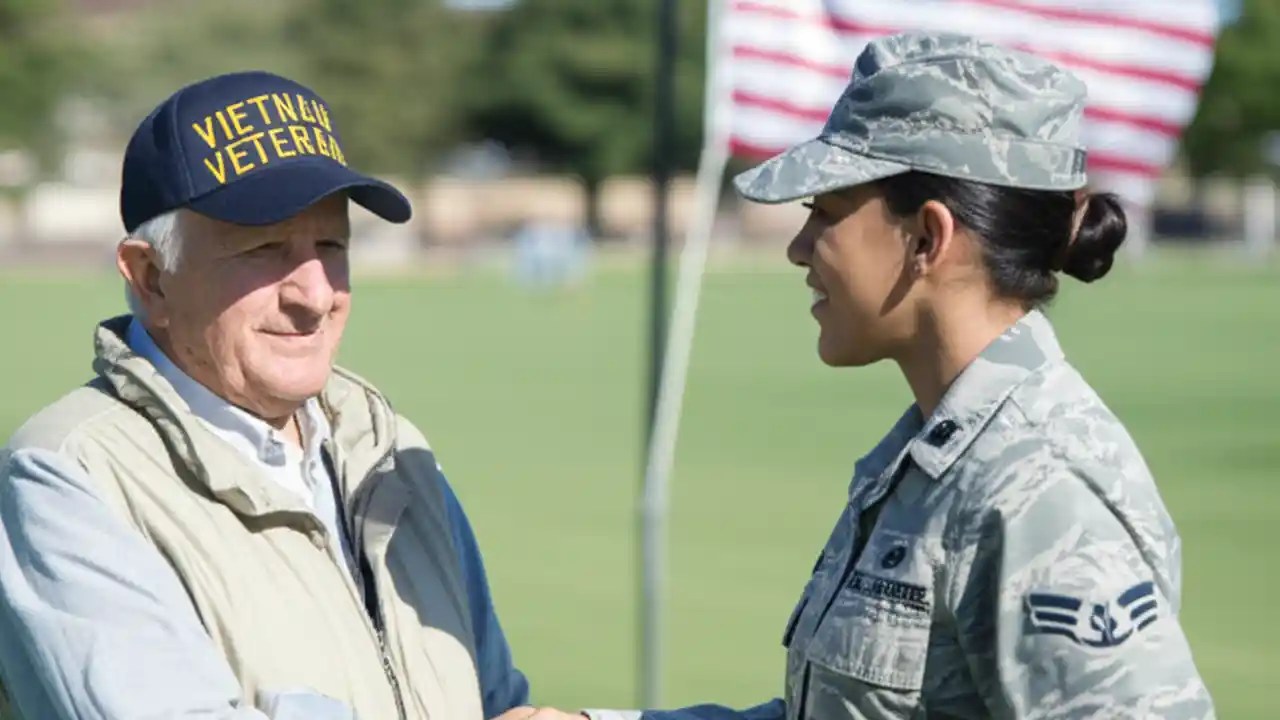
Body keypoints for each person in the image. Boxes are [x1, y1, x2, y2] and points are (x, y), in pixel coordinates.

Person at [505, 31, 1215, 720]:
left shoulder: (1037, 489)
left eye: (828, 212)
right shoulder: (947, 455)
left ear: (927, 238)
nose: (798, 247)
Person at [0, 71, 529, 720]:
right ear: (151, 279)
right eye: (266, 249)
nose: (314, 293)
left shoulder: (396, 458)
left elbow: (500, 705)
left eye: (331, 245)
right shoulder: (67, 478)